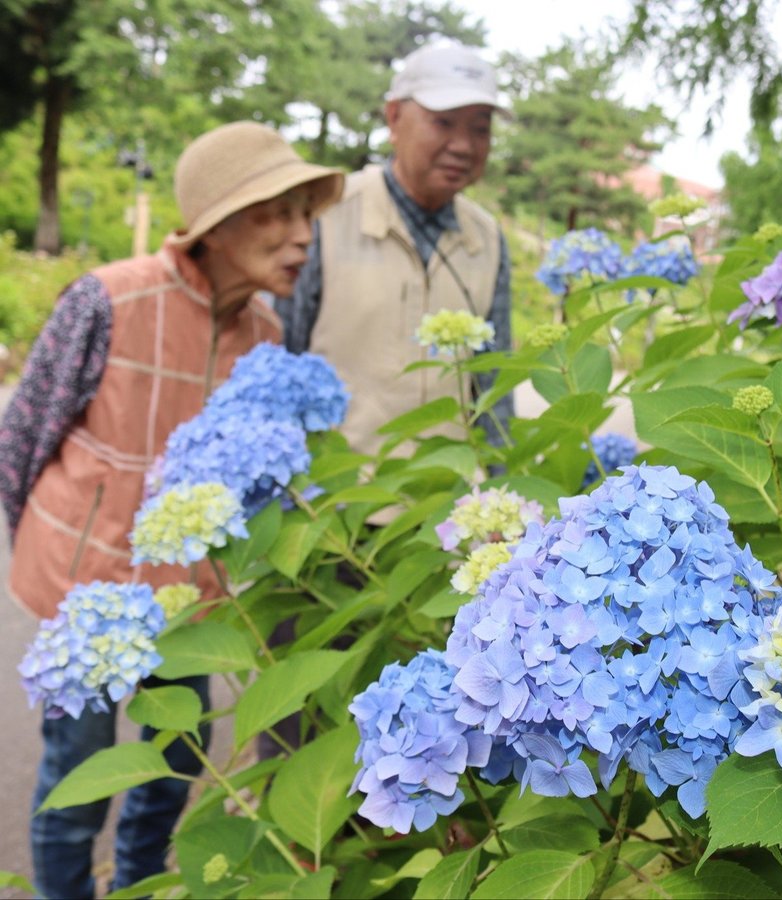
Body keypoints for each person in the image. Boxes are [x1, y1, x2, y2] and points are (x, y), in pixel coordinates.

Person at [0, 121, 343, 899]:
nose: (301, 238)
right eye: (278, 214)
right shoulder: (108, 298)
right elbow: (22, 438)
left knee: (176, 768)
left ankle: (139, 886)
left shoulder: (266, 332)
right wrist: (44, 553)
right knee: (78, 774)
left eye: (307, 217)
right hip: (83, 594)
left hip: (191, 601)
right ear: (217, 225)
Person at [276, 42, 513, 454]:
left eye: (480, 128)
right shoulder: (325, 217)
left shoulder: (488, 238)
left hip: (448, 504)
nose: (464, 146)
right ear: (394, 117)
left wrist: (502, 479)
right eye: (443, 122)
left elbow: (495, 387)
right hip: (340, 498)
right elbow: (280, 354)